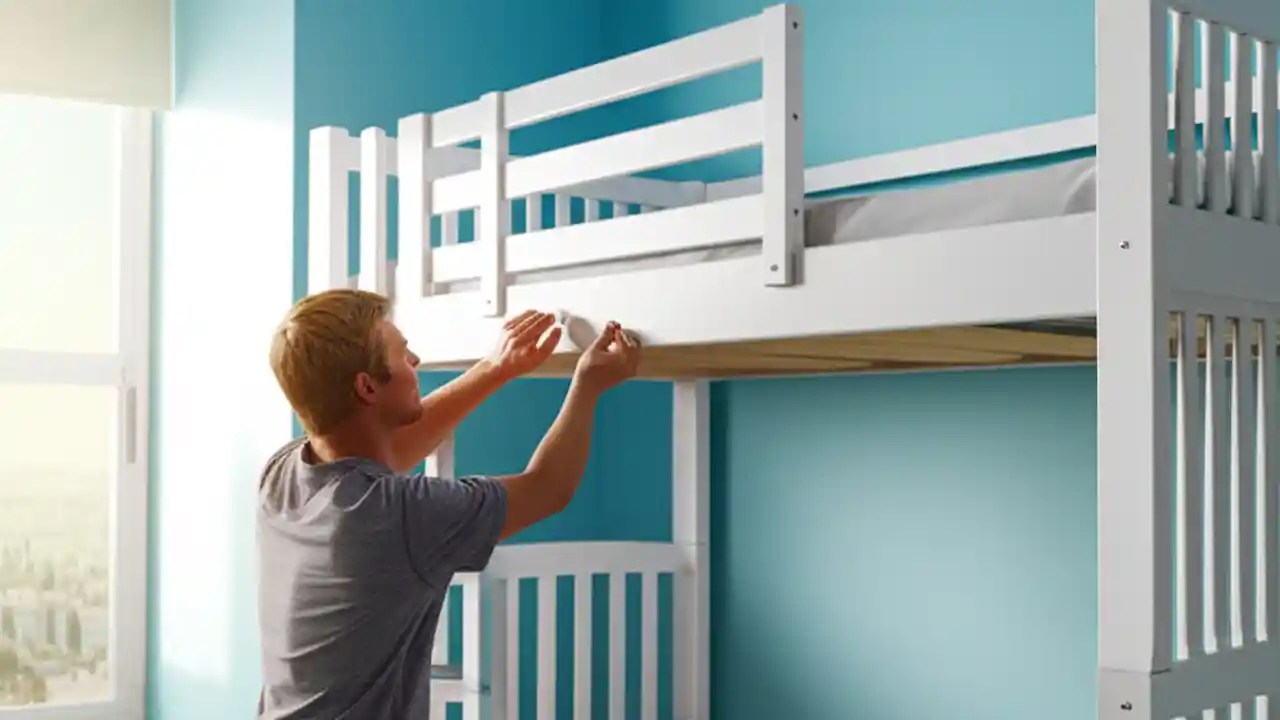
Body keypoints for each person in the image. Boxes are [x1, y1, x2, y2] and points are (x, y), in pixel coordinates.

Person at [256, 288, 640, 719]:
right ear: (366, 387)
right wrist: (588, 384)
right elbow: (548, 488)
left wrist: (497, 369)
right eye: (403, 354)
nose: (415, 361)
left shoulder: (283, 474)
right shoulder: (397, 514)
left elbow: (391, 449)